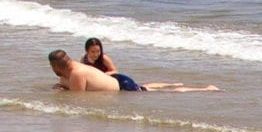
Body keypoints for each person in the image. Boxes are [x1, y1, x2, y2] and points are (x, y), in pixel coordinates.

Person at [50, 47, 216, 93]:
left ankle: (204, 88)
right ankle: (171, 83)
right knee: (147, 86)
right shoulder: (74, 68)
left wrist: (63, 89)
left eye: (52, 67)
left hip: (124, 86)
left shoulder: (77, 74)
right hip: (119, 80)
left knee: (164, 92)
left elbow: (78, 98)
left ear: (57, 66)